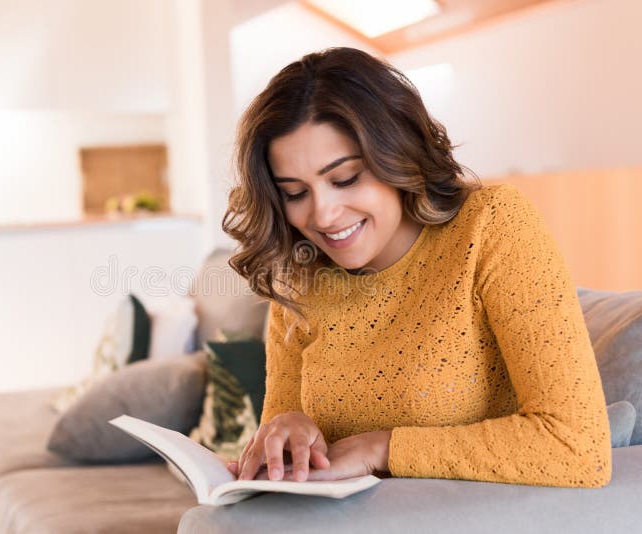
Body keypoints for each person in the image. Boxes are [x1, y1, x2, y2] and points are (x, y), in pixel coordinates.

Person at [221, 47, 611, 488]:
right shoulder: (300, 277)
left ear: (398, 153)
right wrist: (288, 431)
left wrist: (383, 447)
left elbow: (577, 446)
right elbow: (291, 467)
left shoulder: (490, 226)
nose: (323, 215)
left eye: (345, 178)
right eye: (295, 193)